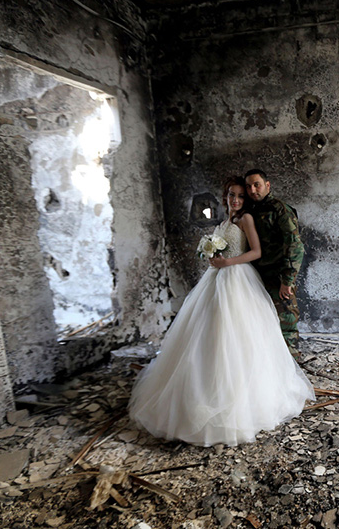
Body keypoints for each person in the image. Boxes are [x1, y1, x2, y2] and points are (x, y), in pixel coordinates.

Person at [128, 177, 315, 447]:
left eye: (240, 195)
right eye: (231, 195)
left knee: (237, 333)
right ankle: (200, 389)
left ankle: (240, 399)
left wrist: (229, 262)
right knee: (207, 330)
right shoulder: (224, 223)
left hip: (238, 278)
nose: (235, 199)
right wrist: (212, 257)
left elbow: (256, 252)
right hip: (217, 278)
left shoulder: (246, 219)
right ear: (225, 197)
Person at [244, 169, 305, 357]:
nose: (253, 190)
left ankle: (291, 365)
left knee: (286, 322)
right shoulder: (249, 210)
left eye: (257, 185)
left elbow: (295, 246)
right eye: (248, 186)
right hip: (255, 276)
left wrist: (287, 281)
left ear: (267, 185)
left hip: (278, 277)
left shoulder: (280, 210)